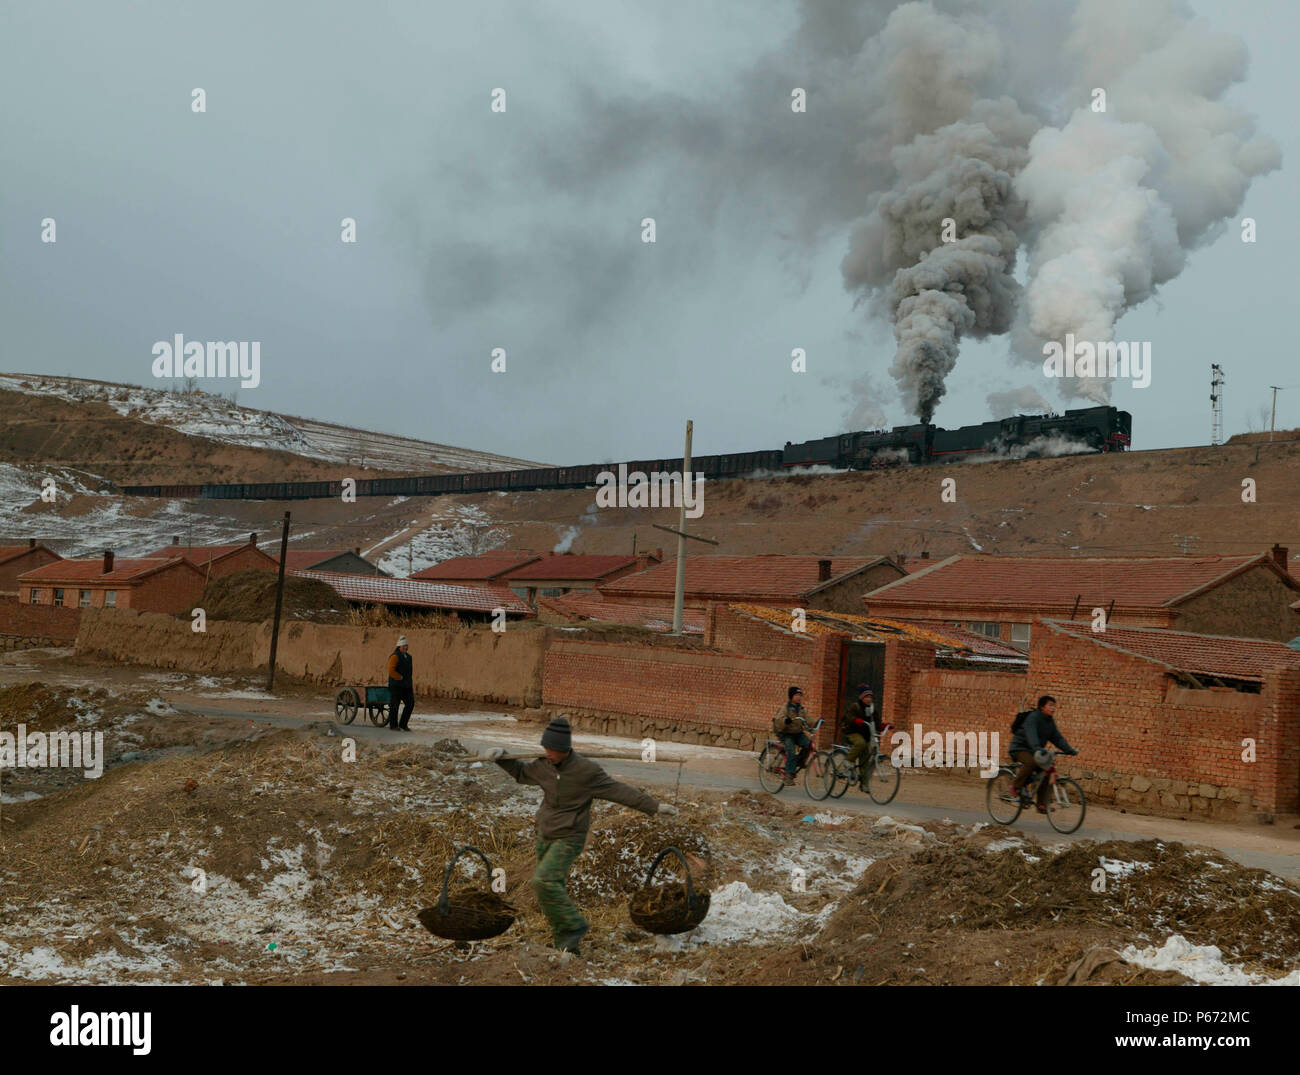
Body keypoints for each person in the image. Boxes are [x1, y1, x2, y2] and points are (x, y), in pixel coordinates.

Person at [488, 716, 678, 956]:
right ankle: (567, 945)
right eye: (545, 747)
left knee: (543, 881)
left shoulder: (586, 772)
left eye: (552, 749)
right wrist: (502, 758)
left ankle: (573, 927)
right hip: (546, 834)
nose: (548, 753)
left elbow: (619, 791)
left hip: (569, 837)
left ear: (565, 749)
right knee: (550, 888)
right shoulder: (543, 765)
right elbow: (523, 774)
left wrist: (653, 807)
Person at [1007, 695, 1078, 811]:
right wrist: (1037, 748)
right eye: (1050, 705)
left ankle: (1041, 804)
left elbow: (1057, 738)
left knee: (1046, 770)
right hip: (1020, 748)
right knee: (1031, 762)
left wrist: (1069, 750)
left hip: (1035, 750)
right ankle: (1015, 786)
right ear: (1041, 707)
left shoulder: (1049, 722)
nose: (1053, 708)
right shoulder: (1033, 718)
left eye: (1054, 706)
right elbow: (1031, 735)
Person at [773, 686, 813, 786]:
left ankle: (798, 761)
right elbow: (778, 719)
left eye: (800, 695)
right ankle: (788, 776)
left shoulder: (801, 709)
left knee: (808, 744)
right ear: (791, 696)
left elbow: (808, 720)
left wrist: (818, 722)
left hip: (797, 733)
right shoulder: (785, 708)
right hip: (786, 733)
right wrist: (785, 721)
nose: (799, 697)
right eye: (796, 695)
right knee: (791, 750)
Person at [843, 684, 879, 788]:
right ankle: (848, 760)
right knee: (861, 743)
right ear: (861, 697)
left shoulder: (872, 710)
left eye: (870, 697)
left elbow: (877, 722)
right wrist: (855, 720)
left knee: (865, 759)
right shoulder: (856, 706)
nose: (869, 699)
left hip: (865, 734)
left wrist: (884, 726)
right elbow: (848, 717)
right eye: (866, 697)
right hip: (852, 732)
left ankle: (864, 784)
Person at [386, 635, 414, 731]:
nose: (406, 647)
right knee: (395, 705)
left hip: (407, 686)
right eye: (404, 646)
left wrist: (409, 682)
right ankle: (393, 725)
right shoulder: (395, 656)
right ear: (399, 647)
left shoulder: (409, 657)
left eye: (407, 645)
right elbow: (391, 670)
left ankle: (403, 724)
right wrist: (400, 677)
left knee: (410, 703)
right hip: (396, 685)